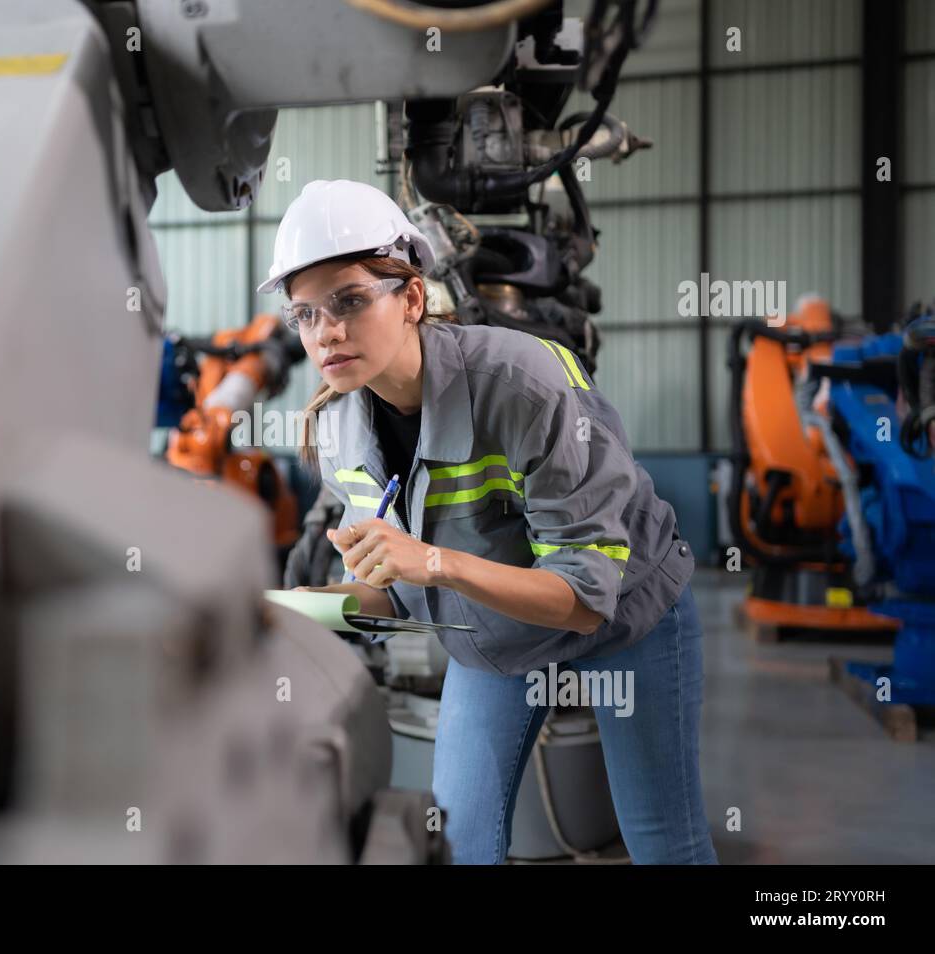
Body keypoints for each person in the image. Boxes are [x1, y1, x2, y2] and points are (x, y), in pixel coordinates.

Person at [265, 179, 718, 865]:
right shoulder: (337, 432)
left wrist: (434, 563)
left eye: (350, 301)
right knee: (458, 841)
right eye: (304, 315)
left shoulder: (526, 385)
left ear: (412, 297)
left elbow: (585, 598)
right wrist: (280, 611)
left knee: (661, 842)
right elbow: (392, 594)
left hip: (631, 616)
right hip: (498, 638)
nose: (325, 332)